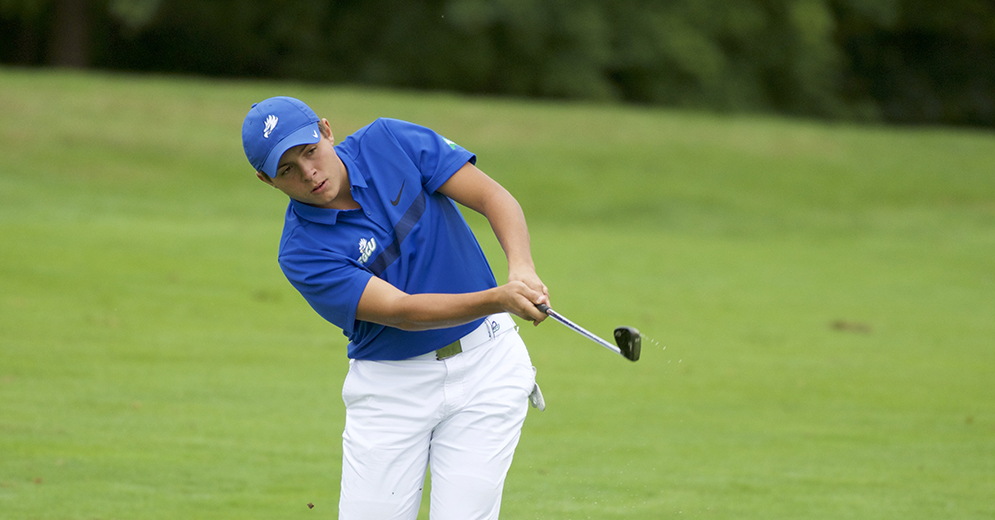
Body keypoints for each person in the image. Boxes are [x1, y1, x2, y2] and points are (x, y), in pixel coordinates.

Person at [241, 96, 549, 520]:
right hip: (393, 390)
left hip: (487, 367)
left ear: (327, 131)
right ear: (266, 179)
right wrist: (497, 298)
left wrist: (522, 267)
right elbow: (403, 311)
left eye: (310, 151)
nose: (309, 173)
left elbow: (492, 196)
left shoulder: (389, 141)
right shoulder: (302, 252)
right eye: (287, 169)